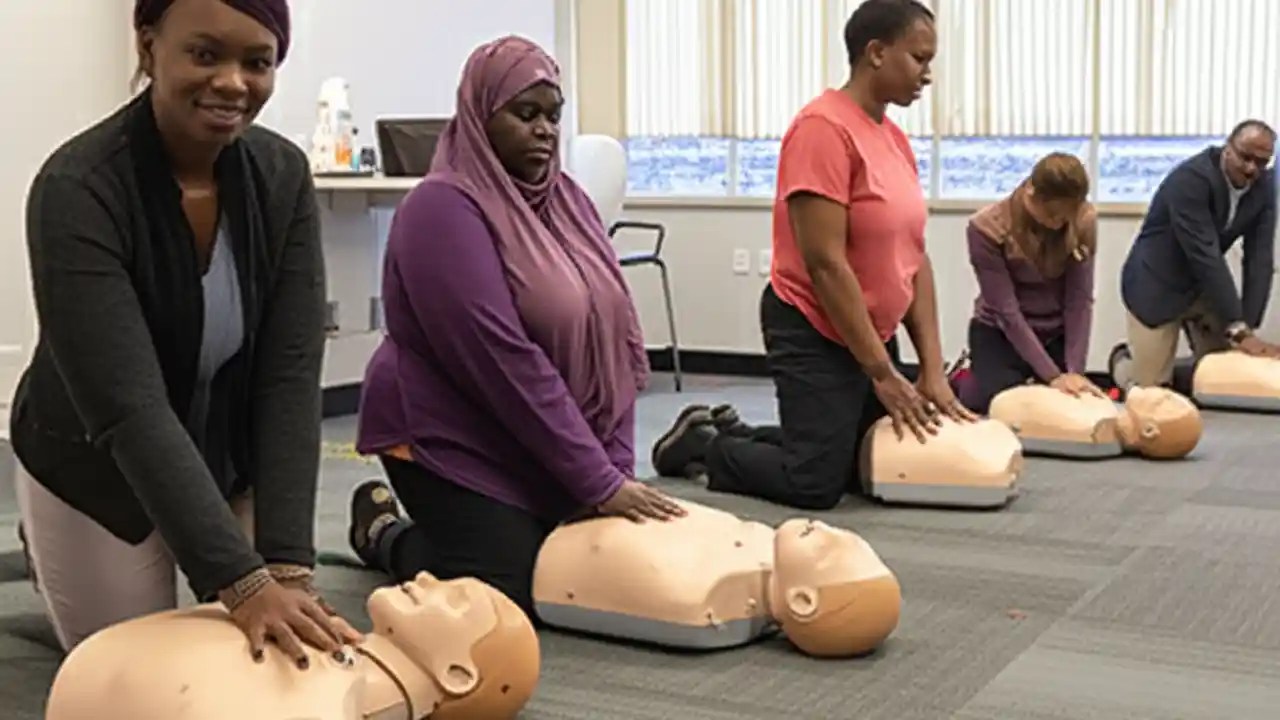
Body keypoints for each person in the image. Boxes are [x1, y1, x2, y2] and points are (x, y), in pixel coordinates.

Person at [9, 0, 360, 663]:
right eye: (205, 54)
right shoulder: (76, 187)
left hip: (219, 449)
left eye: (257, 62)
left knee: (271, 651)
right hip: (95, 460)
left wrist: (285, 567)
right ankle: (51, 539)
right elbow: (127, 407)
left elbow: (287, 379)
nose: (233, 81)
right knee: (135, 670)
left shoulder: (281, 176)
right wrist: (241, 580)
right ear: (149, 47)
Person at [345, 36, 685, 620]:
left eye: (553, 116)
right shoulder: (440, 210)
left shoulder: (568, 201)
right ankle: (381, 531)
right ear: (480, 117)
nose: (545, 131)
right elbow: (503, 364)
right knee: (508, 582)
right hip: (446, 431)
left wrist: (615, 472)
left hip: (533, 431)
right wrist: (596, 482)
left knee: (583, 556)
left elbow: (613, 336)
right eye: (525, 115)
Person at [649, 0, 974, 512]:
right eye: (918, 58)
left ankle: (732, 429)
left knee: (867, 460)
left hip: (869, 332)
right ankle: (706, 447)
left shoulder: (892, 139)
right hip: (811, 326)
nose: (927, 75)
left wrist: (930, 366)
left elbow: (916, 258)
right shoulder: (822, 129)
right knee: (816, 484)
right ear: (875, 53)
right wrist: (883, 374)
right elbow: (825, 265)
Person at [1120, 119, 1280, 388]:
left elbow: (1259, 258)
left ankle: (1184, 374)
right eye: (1245, 157)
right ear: (1227, 148)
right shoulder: (1191, 179)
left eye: (1262, 162)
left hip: (1202, 287)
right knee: (1152, 392)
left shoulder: (1264, 188)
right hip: (1157, 283)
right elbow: (1205, 256)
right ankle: (1122, 365)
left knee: (1225, 376)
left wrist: (1247, 326)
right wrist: (1238, 331)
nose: (1252, 168)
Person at [957, 152, 1103, 413]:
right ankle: (963, 380)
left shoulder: (1083, 219)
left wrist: (1074, 373)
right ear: (1031, 194)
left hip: (1055, 330)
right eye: (1052, 215)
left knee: (1064, 407)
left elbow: (1079, 300)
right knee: (1004, 406)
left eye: (1065, 218)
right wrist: (1052, 376)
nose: (1059, 224)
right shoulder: (987, 228)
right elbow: (1006, 311)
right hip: (1000, 332)